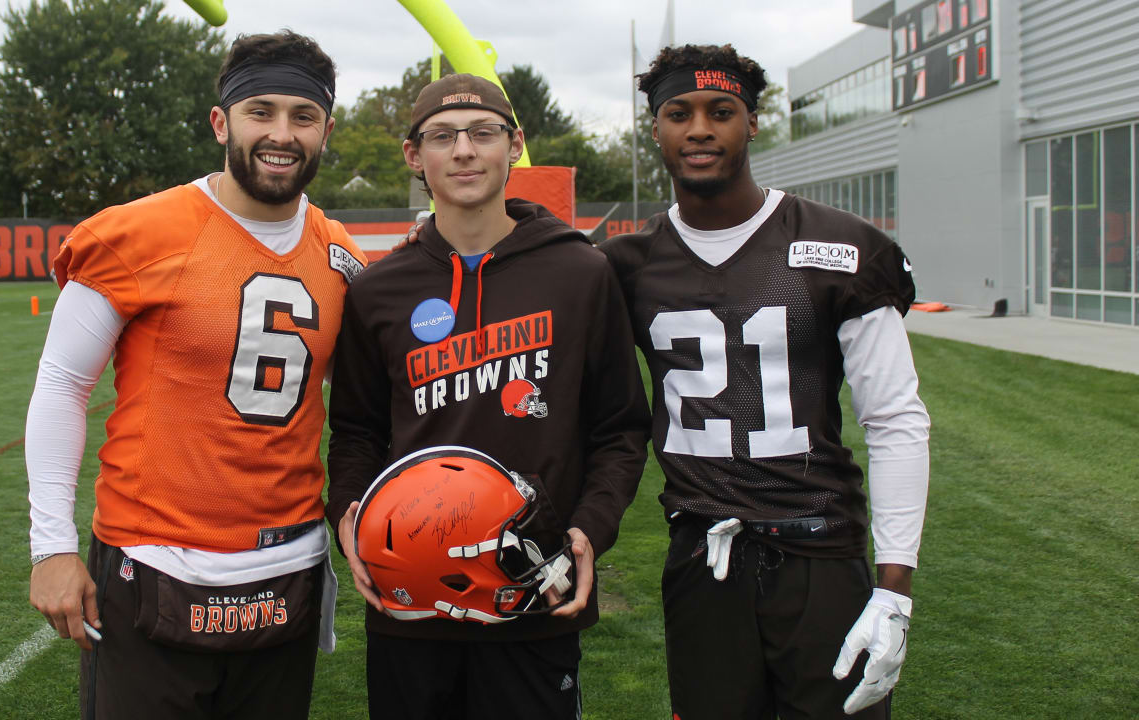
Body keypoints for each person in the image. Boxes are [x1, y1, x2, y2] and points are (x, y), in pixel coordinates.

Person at [25, 30, 365, 720]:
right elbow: (62, 384)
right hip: (155, 565)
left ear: (326, 130)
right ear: (222, 122)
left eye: (303, 117)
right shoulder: (139, 233)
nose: (281, 134)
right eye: (260, 111)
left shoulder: (340, 253)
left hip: (286, 569)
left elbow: (362, 398)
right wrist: (53, 546)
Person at [600, 44, 931, 720]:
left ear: (751, 123)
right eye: (678, 112)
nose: (699, 129)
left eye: (721, 111)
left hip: (820, 552)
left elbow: (894, 418)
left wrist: (894, 587)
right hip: (701, 556)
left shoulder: (839, 247)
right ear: (654, 128)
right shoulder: (624, 264)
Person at [325, 73, 650, 719]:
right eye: (442, 137)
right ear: (414, 156)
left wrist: (591, 527)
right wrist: (350, 517)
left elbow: (620, 428)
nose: (464, 151)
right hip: (409, 594)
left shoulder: (581, 272)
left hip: (533, 581)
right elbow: (357, 432)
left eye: (483, 132)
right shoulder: (378, 290)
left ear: (515, 145)